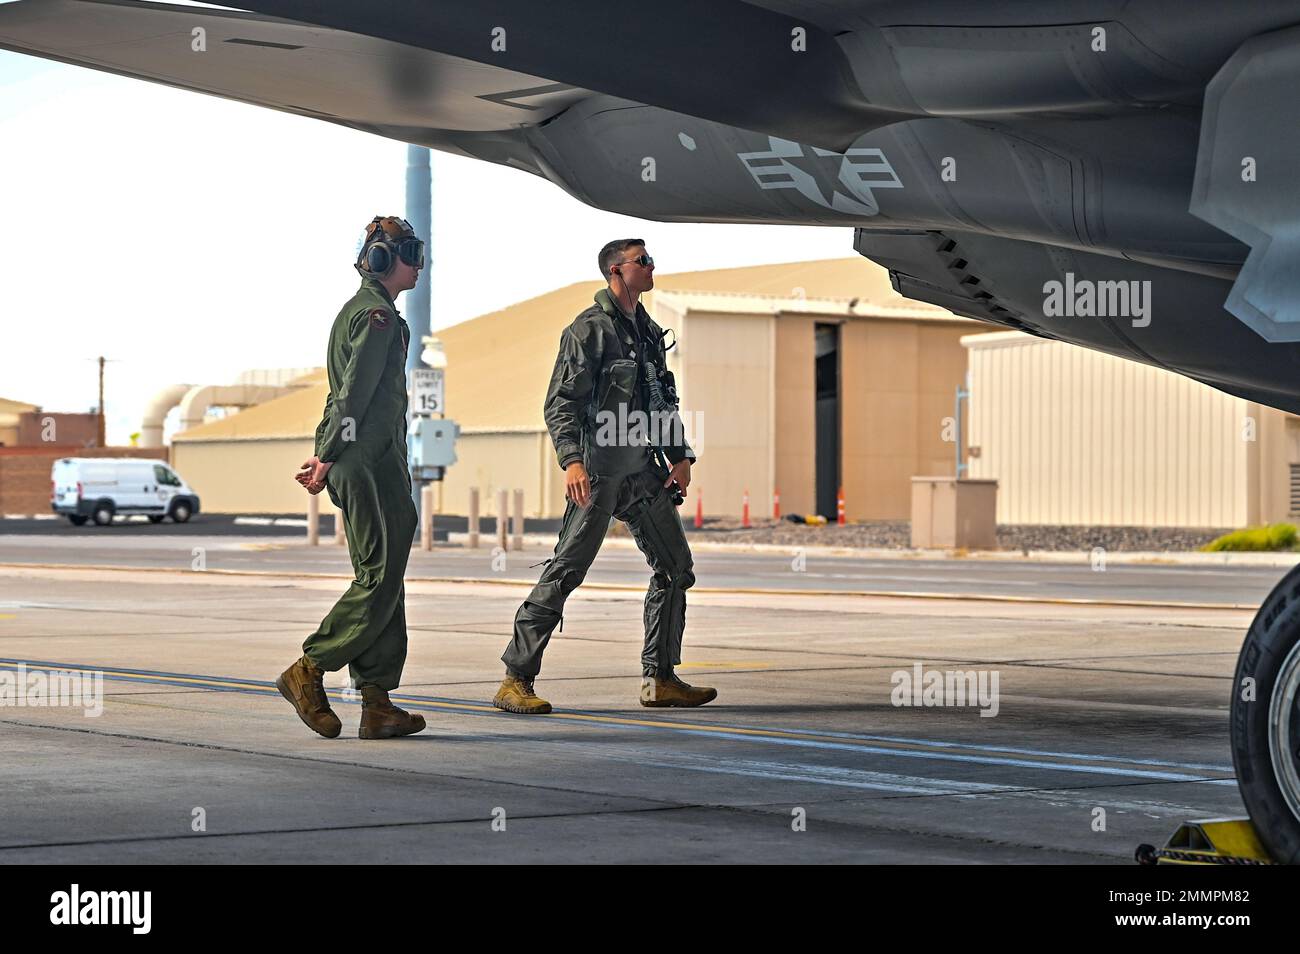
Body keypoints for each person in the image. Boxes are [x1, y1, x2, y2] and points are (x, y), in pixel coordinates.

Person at [493, 239, 716, 714]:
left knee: (677, 568)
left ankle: (660, 678)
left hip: (641, 470)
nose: (652, 266)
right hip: (597, 471)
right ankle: (515, 678)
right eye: (643, 261)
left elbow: (661, 399)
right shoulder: (589, 331)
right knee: (568, 569)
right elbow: (561, 402)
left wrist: (680, 457)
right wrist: (572, 460)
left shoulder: (649, 332)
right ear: (617, 271)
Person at [276, 215, 427, 740]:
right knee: (378, 575)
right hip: (364, 459)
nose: (417, 262)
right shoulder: (373, 317)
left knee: (388, 578)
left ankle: (378, 702)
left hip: (380, 458)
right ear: (382, 259)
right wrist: (329, 453)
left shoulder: (378, 313)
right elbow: (353, 395)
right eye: (407, 252)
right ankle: (310, 668)